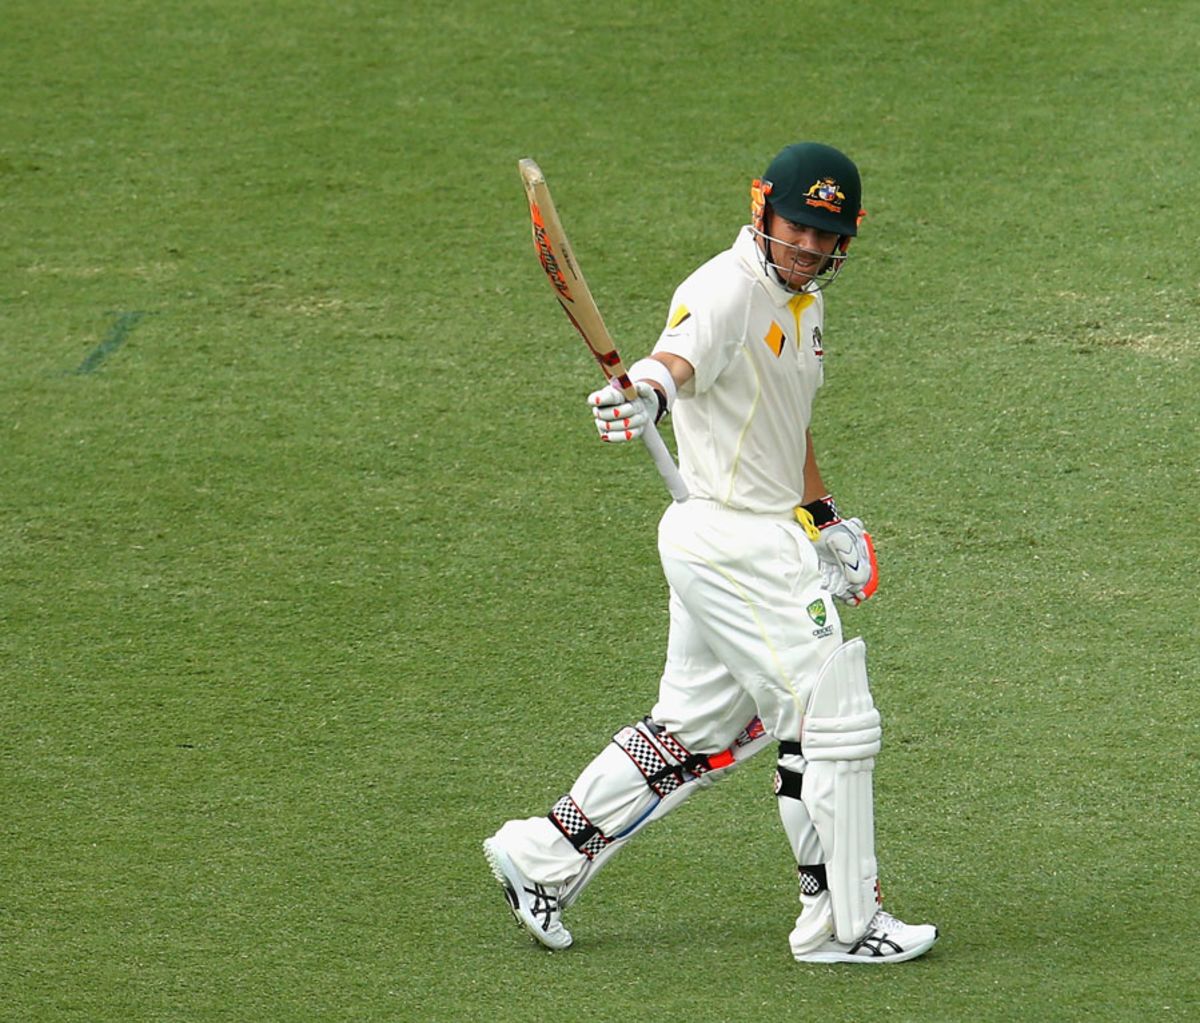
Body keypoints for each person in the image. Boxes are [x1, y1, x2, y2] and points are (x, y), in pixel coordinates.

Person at [484, 142, 938, 964]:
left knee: (695, 727)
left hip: (754, 535)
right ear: (762, 211)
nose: (808, 248)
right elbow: (676, 362)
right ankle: (840, 921)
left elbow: (787, 427)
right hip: (733, 542)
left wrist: (824, 517)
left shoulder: (804, 306)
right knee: (831, 716)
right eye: (796, 229)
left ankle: (540, 855)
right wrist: (646, 394)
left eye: (825, 238)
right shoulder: (724, 288)